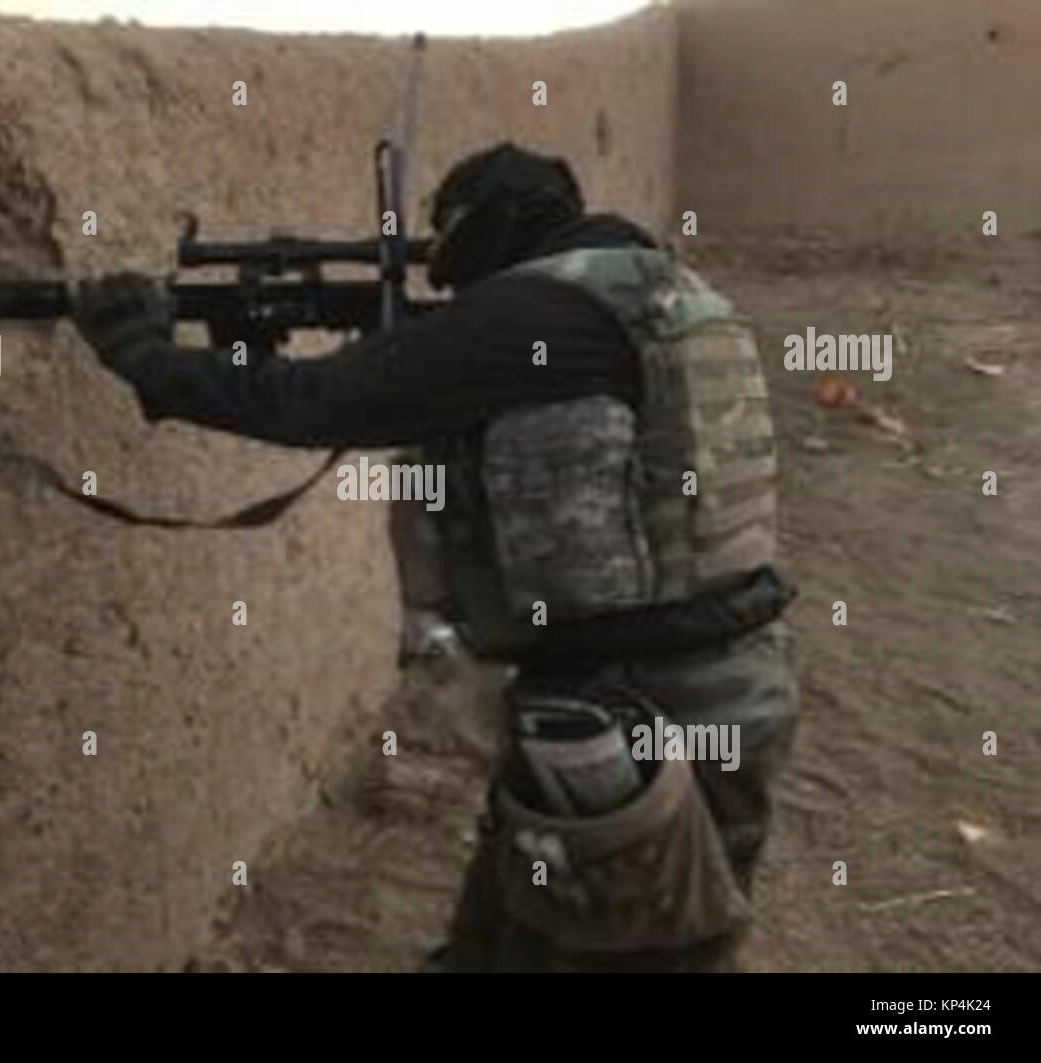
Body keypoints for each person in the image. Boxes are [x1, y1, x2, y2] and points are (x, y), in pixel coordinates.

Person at [71, 142, 799, 972]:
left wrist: (144, 354)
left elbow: (318, 401)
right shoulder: (665, 294)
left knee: (629, 951)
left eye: (449, 243)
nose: (445, 278)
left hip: (643, 713)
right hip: (709, 687)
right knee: (528, 937)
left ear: (494, 225)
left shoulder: (537, 315)